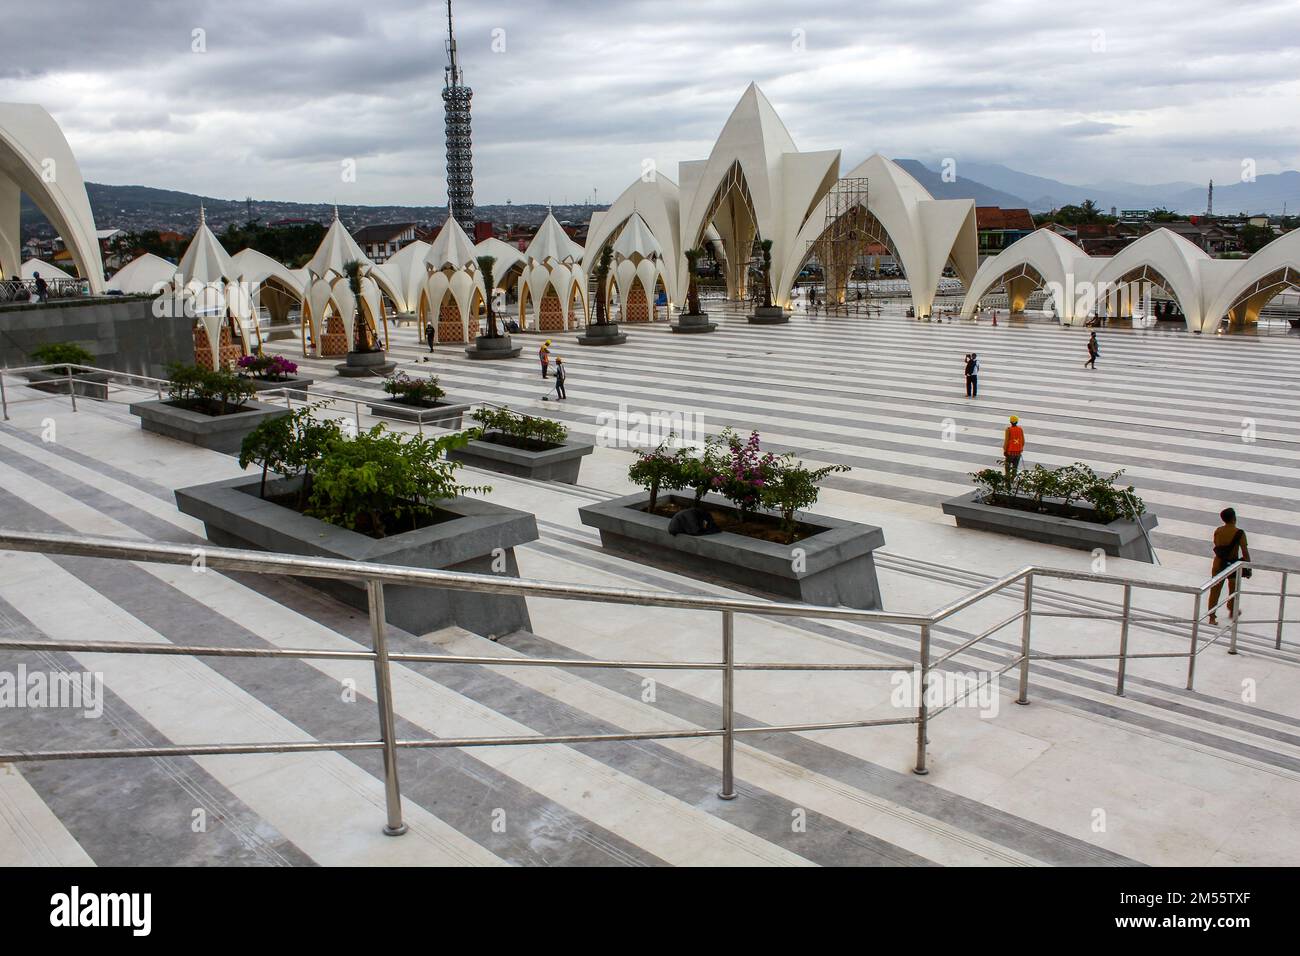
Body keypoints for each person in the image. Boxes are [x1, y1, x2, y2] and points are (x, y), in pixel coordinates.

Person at [1208, 508, 1251, 626]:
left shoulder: (1218, 530)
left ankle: (1212, 617)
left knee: (1215, 590)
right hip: (1232, 565)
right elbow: (1245, 552)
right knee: (1234, 588)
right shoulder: (1239, 533)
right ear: (1234, 518)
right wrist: (1248, 568)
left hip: (1218, 563)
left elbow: (1217, 545)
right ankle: (1232, 610)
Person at [1003, 415, 1024, 482]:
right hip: (1018, 452)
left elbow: (1006, 441)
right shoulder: (1020, 429)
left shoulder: (1008, 430)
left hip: (1010, 452)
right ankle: (1013, 479)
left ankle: (1007, 480)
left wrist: (1005, 450)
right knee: (1015, 467)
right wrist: (1020, 448)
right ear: (1017, 421)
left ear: (1010, 422)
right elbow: (1023, 441)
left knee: (1007, 467)